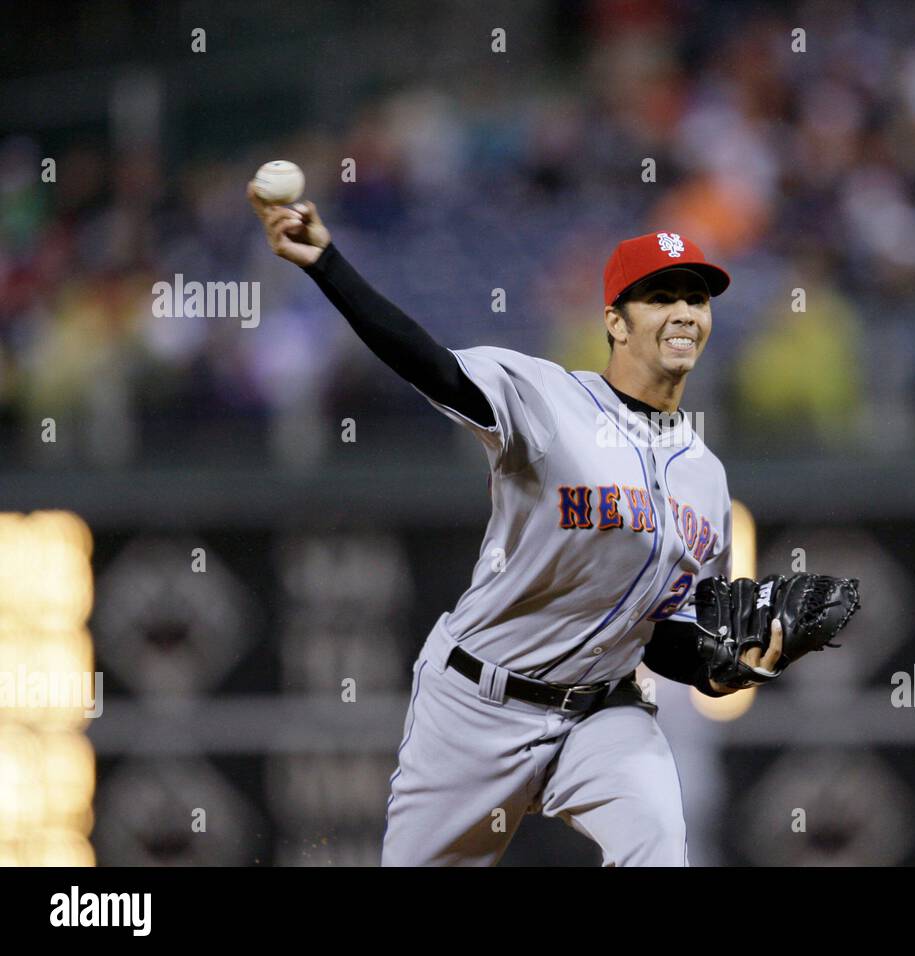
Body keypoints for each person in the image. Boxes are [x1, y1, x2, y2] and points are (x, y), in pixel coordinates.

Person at [248, 185, 781, 866]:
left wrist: (731, 663)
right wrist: (327, 265)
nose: (684, 313)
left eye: (697, 299)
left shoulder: (706, 478)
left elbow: (668, 639)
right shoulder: (545, 398)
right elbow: (430, 364)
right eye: (661, 297)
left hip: (603, 713)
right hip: (477, 704)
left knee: (657, 845)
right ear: (615, 322)